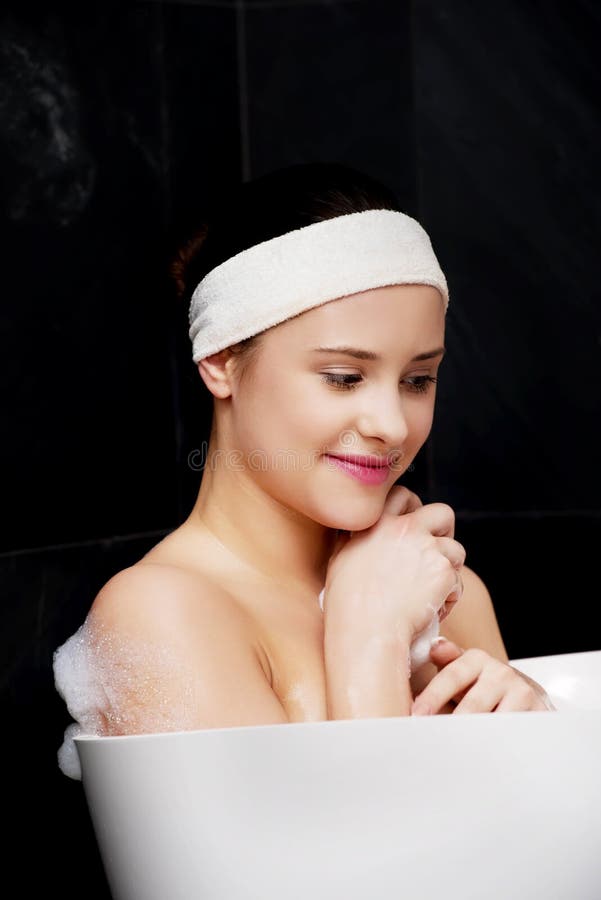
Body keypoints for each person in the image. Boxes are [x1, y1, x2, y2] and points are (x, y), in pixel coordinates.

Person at [53, 161, 553, 779]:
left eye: (418, 379)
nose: (392, 426)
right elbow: (297, 874)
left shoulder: (445, 593)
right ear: (221, 362)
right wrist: (366, 637)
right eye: (344, 377)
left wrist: (540, 738)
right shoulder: (161, 614)